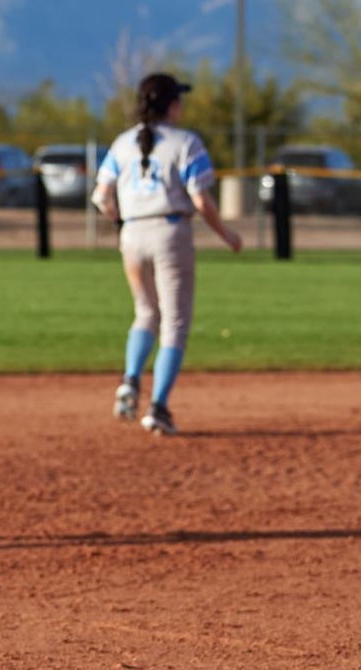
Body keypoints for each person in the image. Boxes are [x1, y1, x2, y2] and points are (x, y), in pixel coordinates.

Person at [90, 73, 242, 436]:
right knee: (174, 323)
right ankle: (158, 408)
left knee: (145, 313)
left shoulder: (123, 143)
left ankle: (129, 379)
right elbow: (201, 199)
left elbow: (100, 196)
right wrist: (227, 234)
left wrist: (120, 220)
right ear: (172, 105)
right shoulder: (185, 142)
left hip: (132, 233)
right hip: (169, 231)